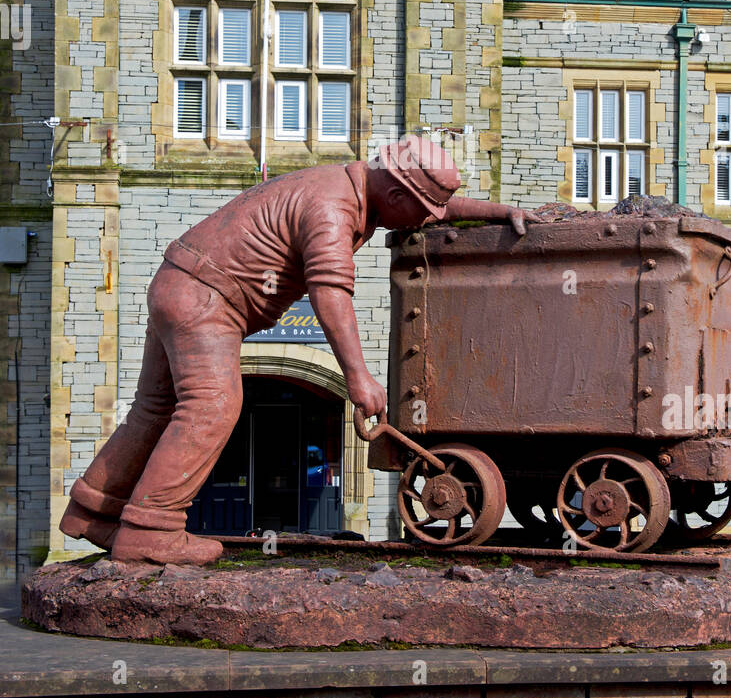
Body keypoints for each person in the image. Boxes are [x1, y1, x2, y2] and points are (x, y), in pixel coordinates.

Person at [60, 135, 538, 564]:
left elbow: (439, 209)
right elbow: (330, 293)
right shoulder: (333, 209)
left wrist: (500, 213)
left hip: (181, 282)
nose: (426, 221)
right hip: (208, 297)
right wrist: (359, 379)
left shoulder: (352, 184)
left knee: (154, 409)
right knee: (212, 405)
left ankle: (93, 511)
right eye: (422, 211)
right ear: (396, 197)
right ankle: (152, 531)